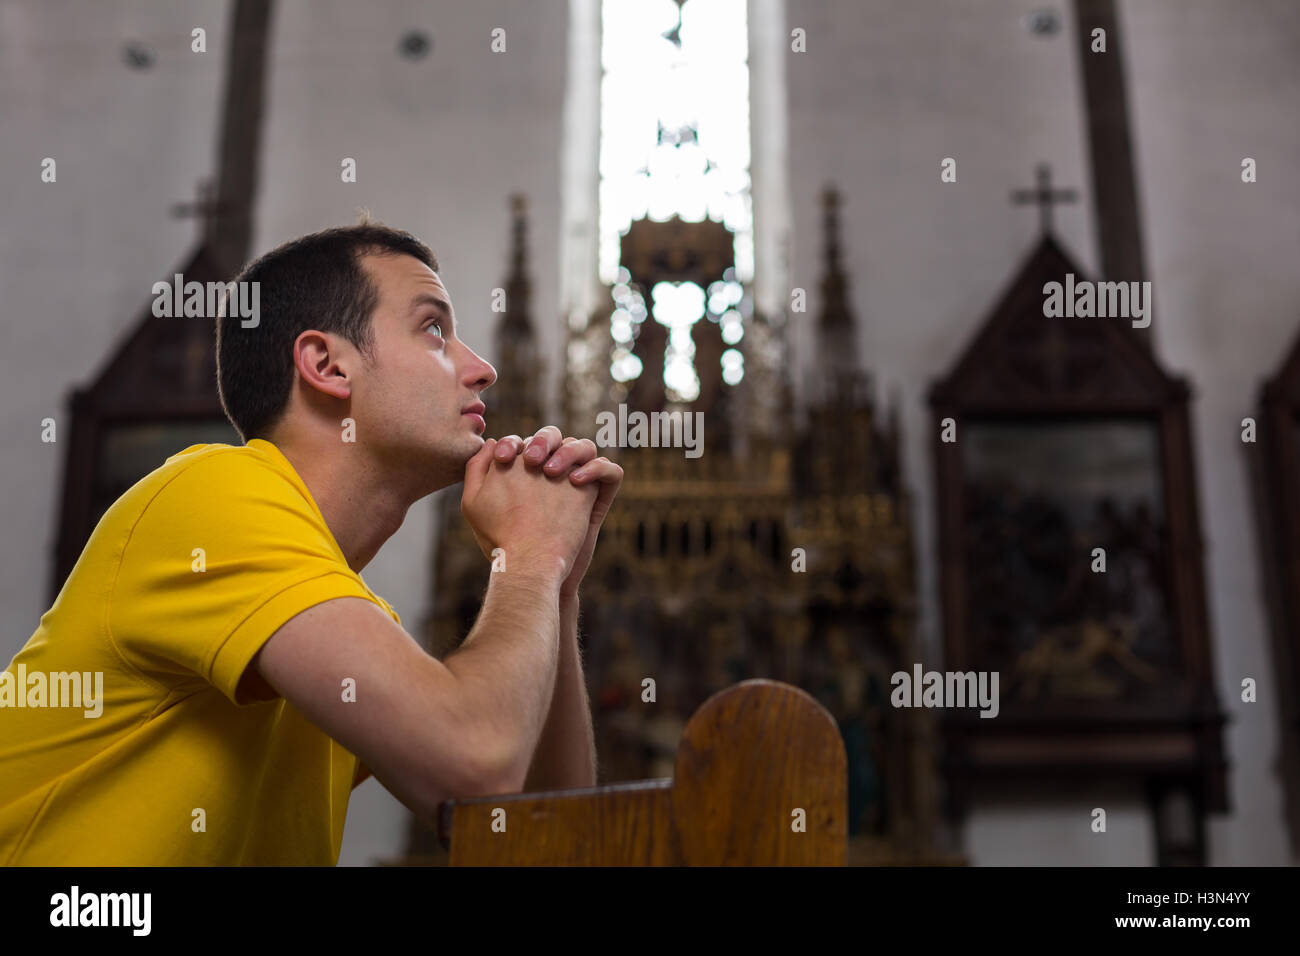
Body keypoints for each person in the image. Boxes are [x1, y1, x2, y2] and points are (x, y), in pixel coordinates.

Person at [0, 222, 623, 864]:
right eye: (435, 329)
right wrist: (527, 557)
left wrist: (557, 582)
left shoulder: (345, 616)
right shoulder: (212, 492)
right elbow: (472, 764)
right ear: (327, 365)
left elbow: (548, 834)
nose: (482, 369)